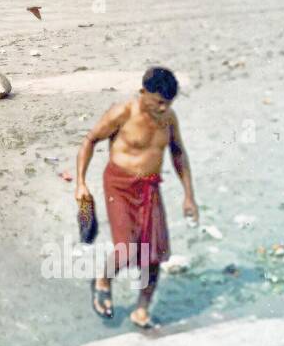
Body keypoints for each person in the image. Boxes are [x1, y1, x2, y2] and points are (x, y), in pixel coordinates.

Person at [74, 66, 198, 330]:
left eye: (168, 104)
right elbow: (90, 140)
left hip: (150, 188)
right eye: (159, 102)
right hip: (119, 185)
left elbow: (178, 154)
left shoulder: (168, 118)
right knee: (127, 247)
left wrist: (189, 196)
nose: (164, 108)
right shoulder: (122, 113)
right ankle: (103, 280)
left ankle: (141, 310)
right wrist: (81, 184)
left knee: (156, 253)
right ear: (143, 92)